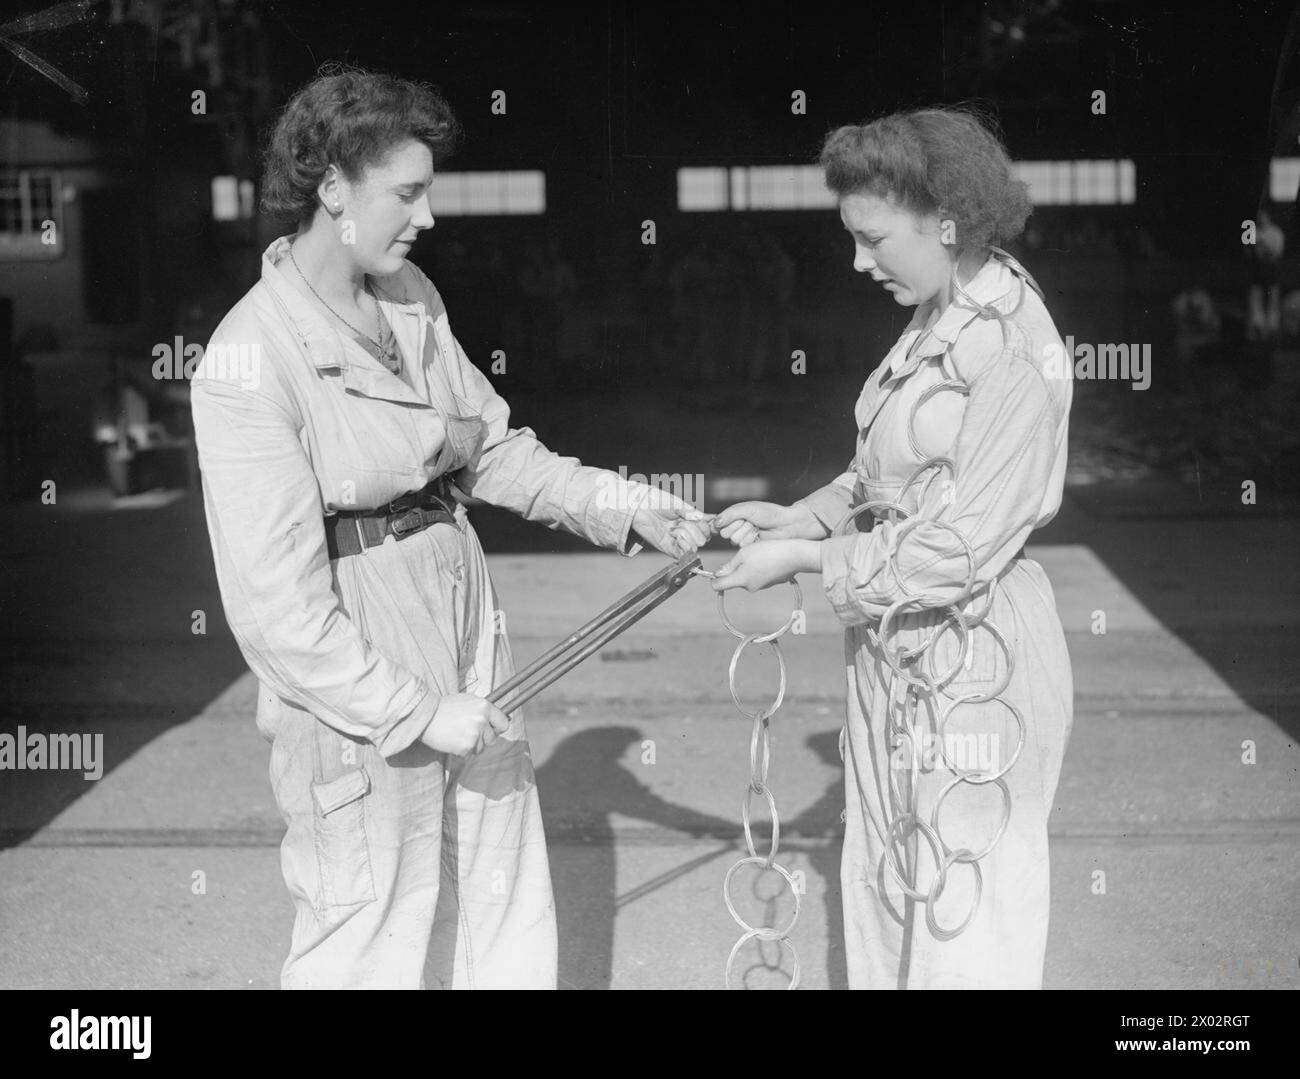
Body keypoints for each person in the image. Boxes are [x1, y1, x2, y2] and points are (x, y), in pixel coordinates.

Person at [189, 67, 709, 989]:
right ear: (333, 188)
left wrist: (638, 511)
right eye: (408, 192)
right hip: (356, 651)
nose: (428, 215)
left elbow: (494, 452)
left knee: (500, 895)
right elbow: (277, 613)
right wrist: (418, 711)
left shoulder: (411, 297)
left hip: (463, 610)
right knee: (369, 925)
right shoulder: (247, 358)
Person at [711, 107, 1074, 989]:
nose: (858, 262)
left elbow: (959, 546)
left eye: (873, 240)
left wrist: (806, 563)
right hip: (895, 639)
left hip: (978, 650)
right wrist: (804, 517)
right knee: (885, 880)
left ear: (946, 222)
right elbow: (888, 472)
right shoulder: (939, 311)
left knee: (965, 904)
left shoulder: (1010, 347)